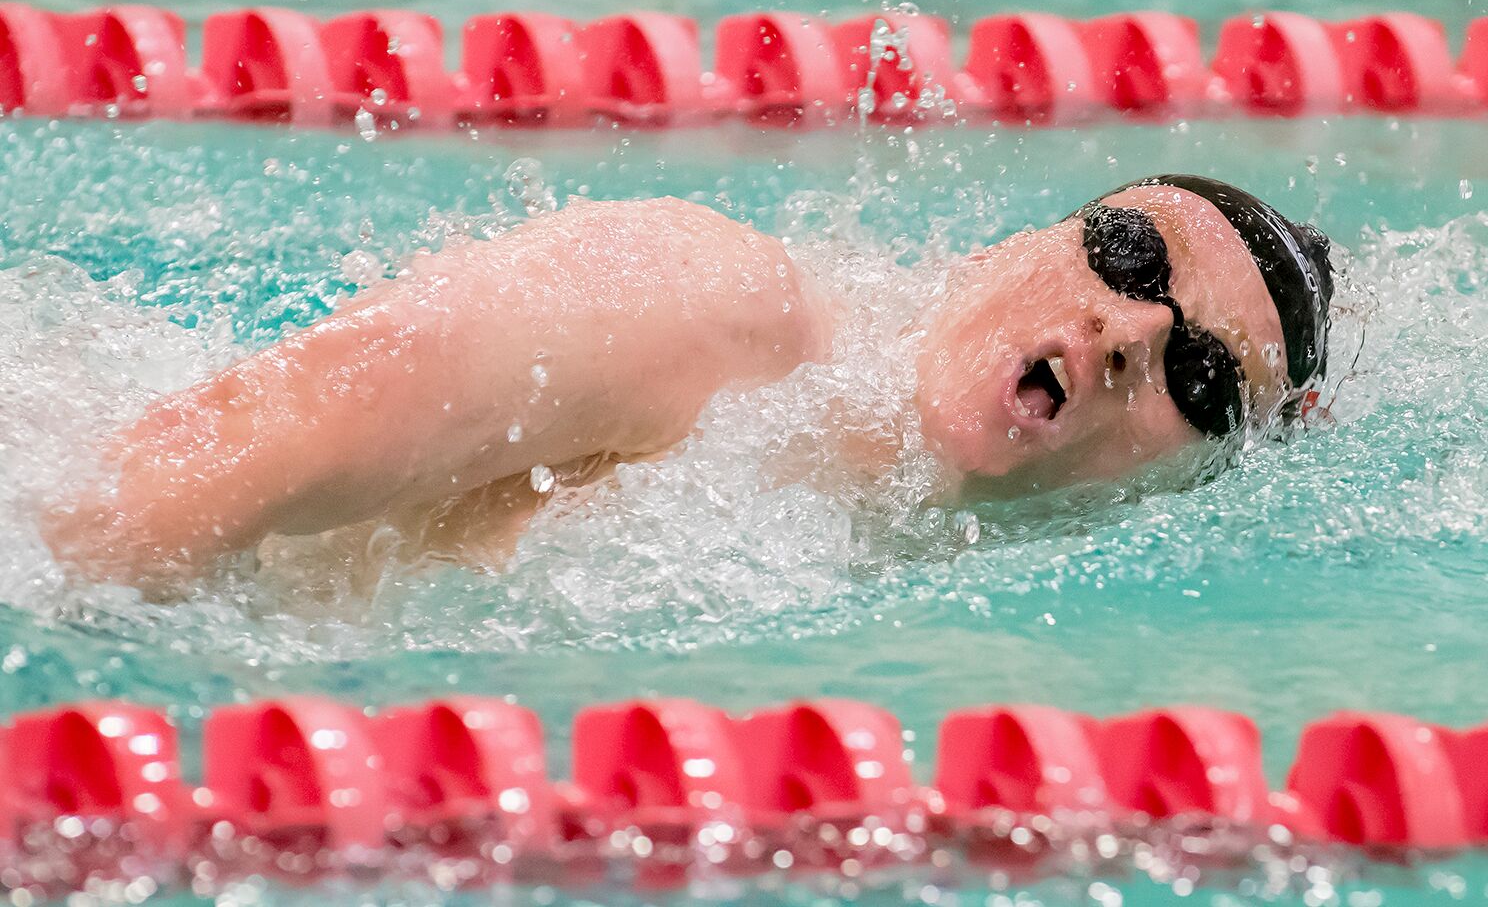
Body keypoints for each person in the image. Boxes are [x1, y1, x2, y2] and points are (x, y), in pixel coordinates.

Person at [43, 174, 1333, 582]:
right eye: (1125, 255)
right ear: (1016, 243)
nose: (1127, 333)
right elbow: (216, 455)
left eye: (1207, 381)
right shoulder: (711, 309)